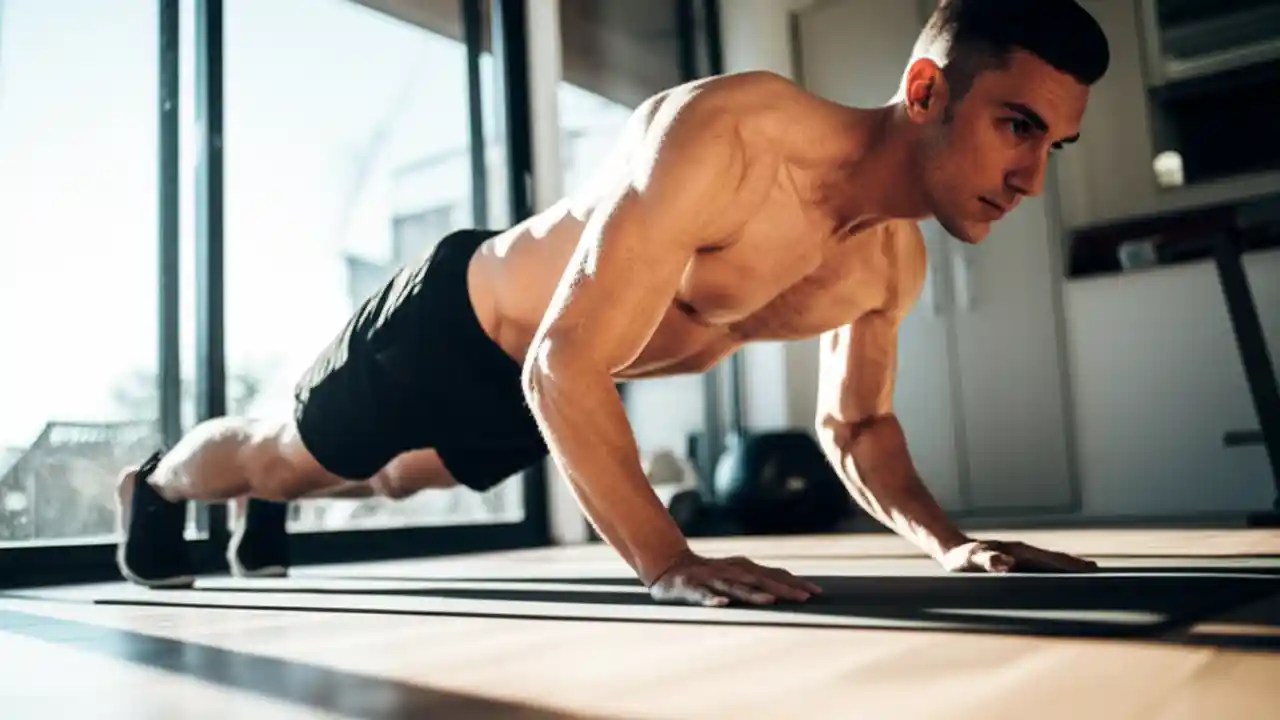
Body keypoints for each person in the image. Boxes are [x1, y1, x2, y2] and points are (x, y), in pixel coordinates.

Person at [117, 0, 1110, 606]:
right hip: (463, 323)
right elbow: (563, 358)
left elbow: (856, 425)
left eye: (1052, 147)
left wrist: (948, 542)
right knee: (285, 456)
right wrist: (665, 560)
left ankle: (266, 502)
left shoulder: (887, 266)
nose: (1030, 177)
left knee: (387, 484)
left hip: (553, 383)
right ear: (927, 90)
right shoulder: (734, 135)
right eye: (1015, 126)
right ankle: (157, 484)